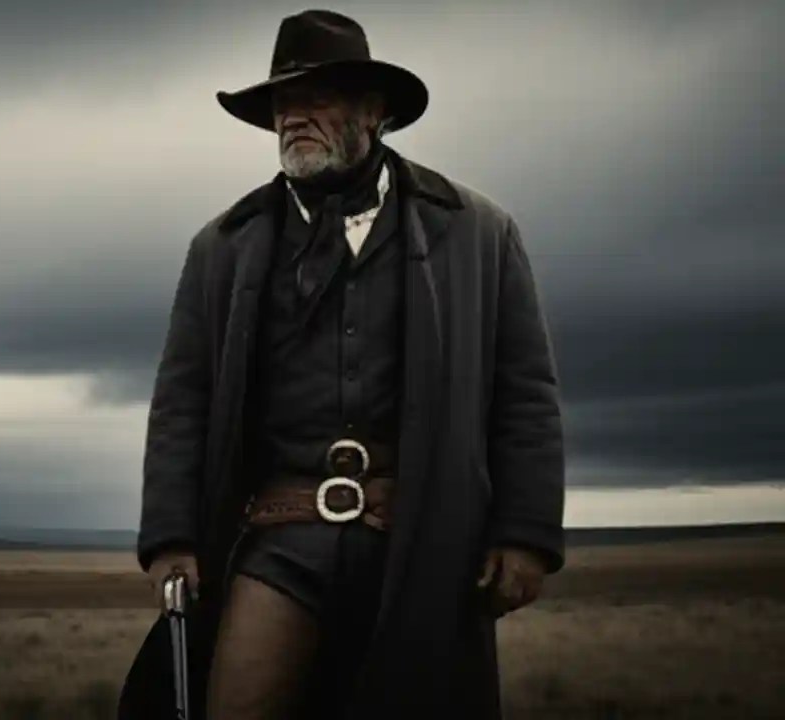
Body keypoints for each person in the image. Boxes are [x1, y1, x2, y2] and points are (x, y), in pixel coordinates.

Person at [119, 9, 566, 719]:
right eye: (282, 103)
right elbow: (182, 402)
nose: (292, 116)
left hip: (422, 540)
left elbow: (525, 395)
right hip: (279, 540)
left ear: (374, 111)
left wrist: (526, 533)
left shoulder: (476, 233)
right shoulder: (223, 247)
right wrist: (170, 539)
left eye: (316, 98)